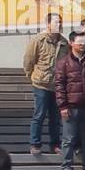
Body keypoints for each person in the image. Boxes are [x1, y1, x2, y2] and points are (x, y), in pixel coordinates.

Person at [55, 30, 85, 170]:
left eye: (84, 41)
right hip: (71, 107)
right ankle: (67, 167)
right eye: (78, 41)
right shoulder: (63, 62)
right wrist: (62, 106)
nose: (82, 44)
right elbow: (59, 85)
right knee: (68, 139)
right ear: (71, 43)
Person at [23, 13, 68, 155]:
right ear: (48, 24)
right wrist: (32, 76)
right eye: (55, 22)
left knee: (55, 117)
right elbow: (28, 61)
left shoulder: (64, 43)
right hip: (41, 84)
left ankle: (55, 144)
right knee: (39, 114)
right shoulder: (38, 40)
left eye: (60, 22)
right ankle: (35, 144)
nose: (58, 25)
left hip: (57, 86)